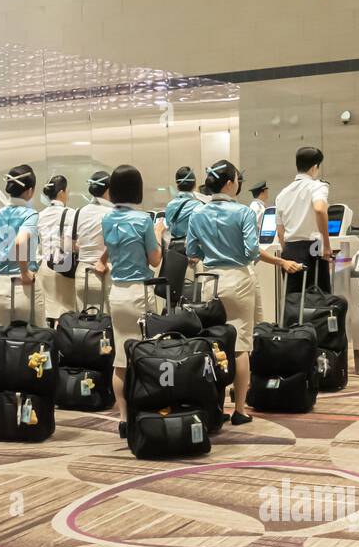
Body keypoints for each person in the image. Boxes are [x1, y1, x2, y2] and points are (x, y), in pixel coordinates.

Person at [187, 162, 303, 426]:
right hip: (238, 279)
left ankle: (215, 405)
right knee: (240, 345)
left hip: (209, 281)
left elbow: (193, 252)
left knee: (212, 342)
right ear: (229, 183)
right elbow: (251, 252)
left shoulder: (197, 214)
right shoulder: (243, 213)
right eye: (238, 179)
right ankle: (239, 410)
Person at [94, 164, 165, 439]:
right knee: (147, 356)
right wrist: (158, 234)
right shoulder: (143, 220)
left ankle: (124, 418)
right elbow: (155, 259)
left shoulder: (107, 220)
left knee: (120, 360)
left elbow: (110, 253)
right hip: (140, 293)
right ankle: (145, 411)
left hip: (117, 292)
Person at [0, 164, 44, 326]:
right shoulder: (30, 215)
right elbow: (20, 242)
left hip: (1, 288)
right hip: (25, 287)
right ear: (30, 190)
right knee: (35, 343)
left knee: (6, 344)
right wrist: (24, 272)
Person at [275, 146, 332, 294]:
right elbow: (319, 209)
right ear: (315, 167)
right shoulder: (318, 186)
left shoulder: (282, 193)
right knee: (317, 300)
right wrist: (326, 245)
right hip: (312, 249)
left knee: (293, 301)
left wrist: (287, 251)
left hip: (289, 251)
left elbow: (280, 231)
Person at [36, 175, 78, 324]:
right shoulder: (72, 214)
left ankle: (48, 345)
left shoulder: (40, 215)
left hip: (44, 268)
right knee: (65, 314)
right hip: (63, 268)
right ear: (61, 192)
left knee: (47, 313)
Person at [75, 170, 113, 310]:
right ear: (109, 189)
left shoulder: (80, 211)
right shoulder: (112, 213)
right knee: (105, 326)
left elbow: (72, 243)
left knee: (84, 326)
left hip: (82, 273)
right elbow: (114, 241)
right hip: (105, 272)